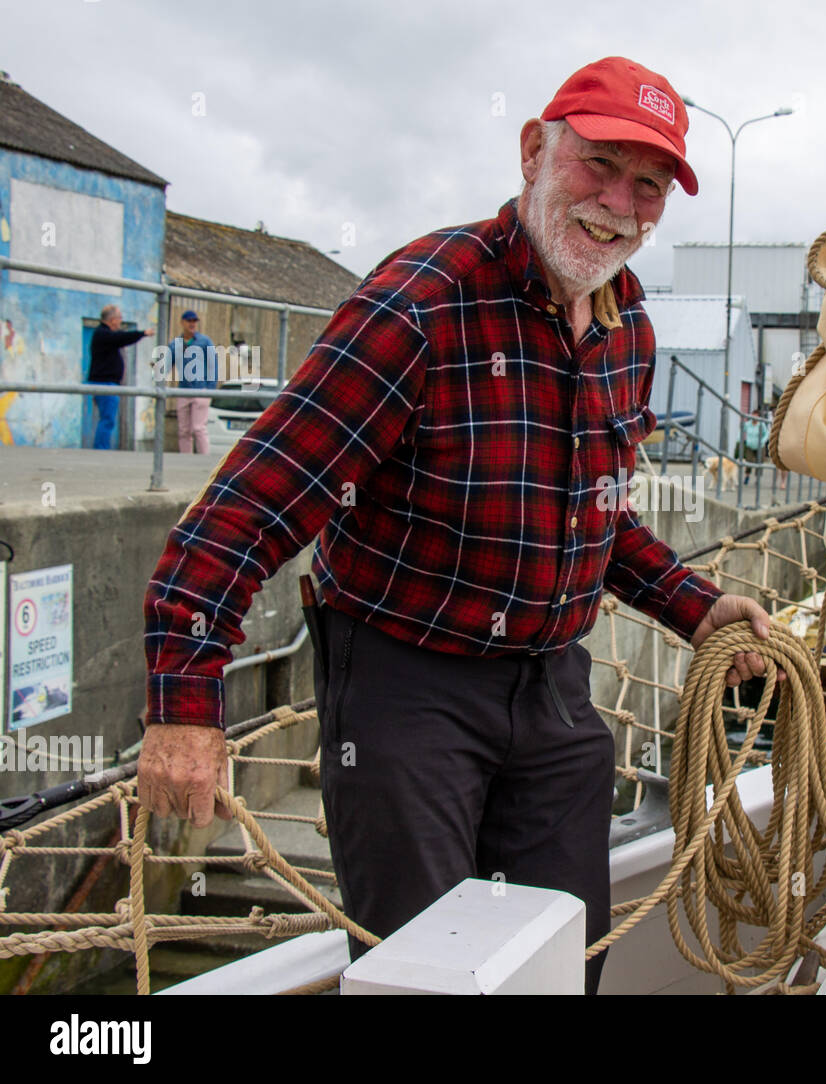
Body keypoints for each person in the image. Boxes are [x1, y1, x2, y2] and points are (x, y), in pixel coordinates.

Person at [138, 57, 783, 996]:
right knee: (424, 977)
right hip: (407, 691)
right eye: (597, 166)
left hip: (555, 691)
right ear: (533, 151)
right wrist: (183, 712)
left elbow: (595, 518)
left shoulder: (629, 327)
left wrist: (697, 607)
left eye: (647, 186)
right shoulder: (421, 304)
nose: (618, 203)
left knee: (565, 962)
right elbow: (246, 511)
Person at [87, 305, 153, 450]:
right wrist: (143, 333)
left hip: (107, 383)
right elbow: (122, 338)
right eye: (119, 319)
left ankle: (101, 447)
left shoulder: (104, 334)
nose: (120, 322)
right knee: (107, 419)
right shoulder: (103, 334)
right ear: (112, 320)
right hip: (104, 383)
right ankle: (101, 449)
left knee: (106, 418)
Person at [169, 310, 217, 453]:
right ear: (182, 322)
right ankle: (186, 460)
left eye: (194, 321)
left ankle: (203, 458)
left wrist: (210, 389)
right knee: (184, 430)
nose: (192, 324)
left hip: (200, 388)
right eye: (189, 321)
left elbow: (212, 364)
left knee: (198, 428)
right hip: (183, 389)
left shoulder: (204, 341)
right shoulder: (175, 344)